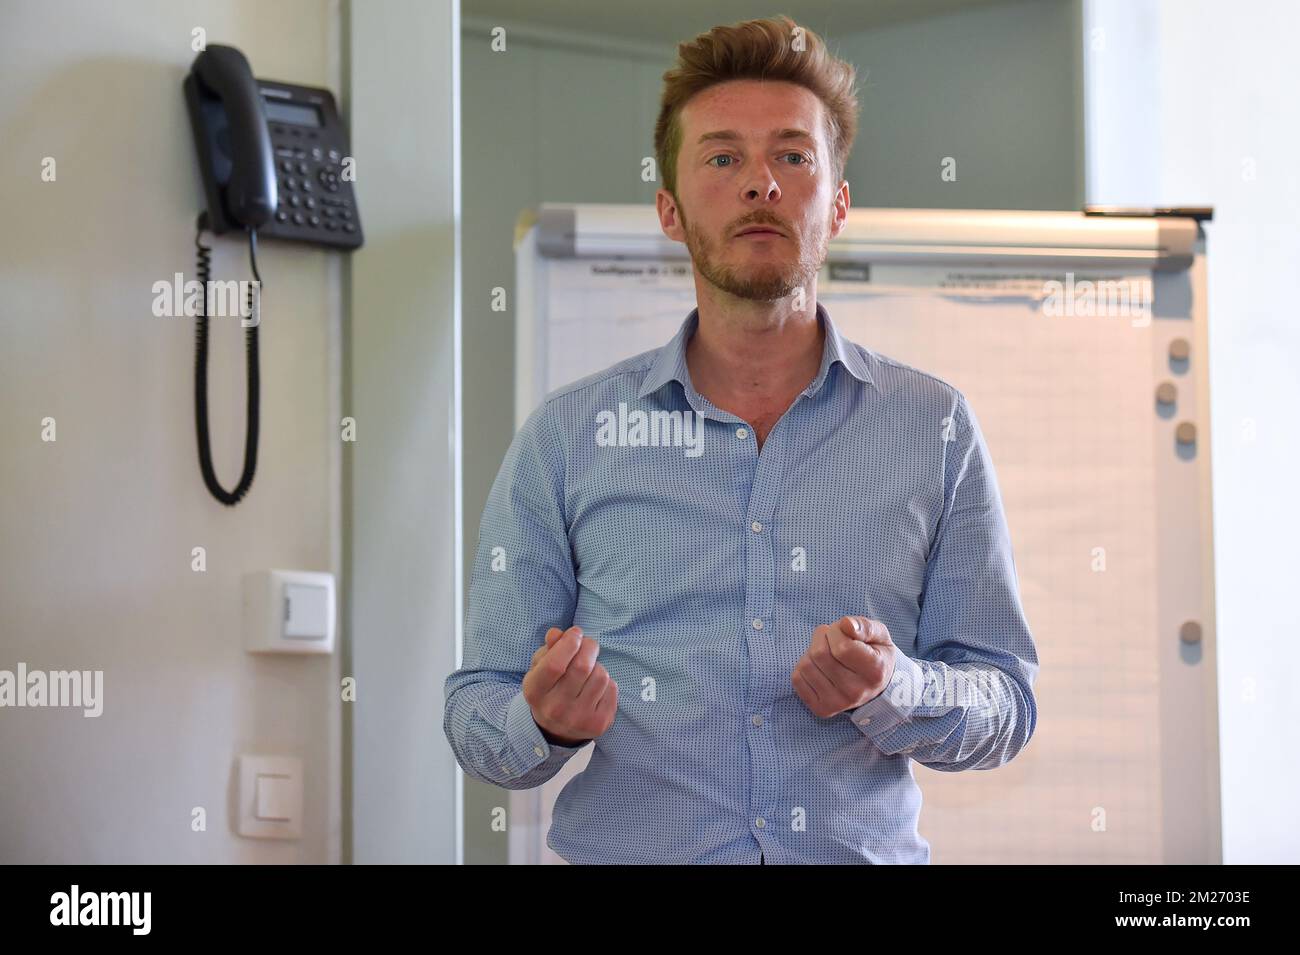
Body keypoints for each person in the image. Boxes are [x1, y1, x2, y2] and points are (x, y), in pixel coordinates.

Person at [444, 15, 1038, 864]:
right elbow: (476, 709)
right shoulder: (566, 440)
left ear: (836, 204)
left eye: (792, 157)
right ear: (670, 210)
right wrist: (536, 719)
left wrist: (893, 685)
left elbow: (1006, 700)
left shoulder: (933, 427)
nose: (761, 183)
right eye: (723, 158)